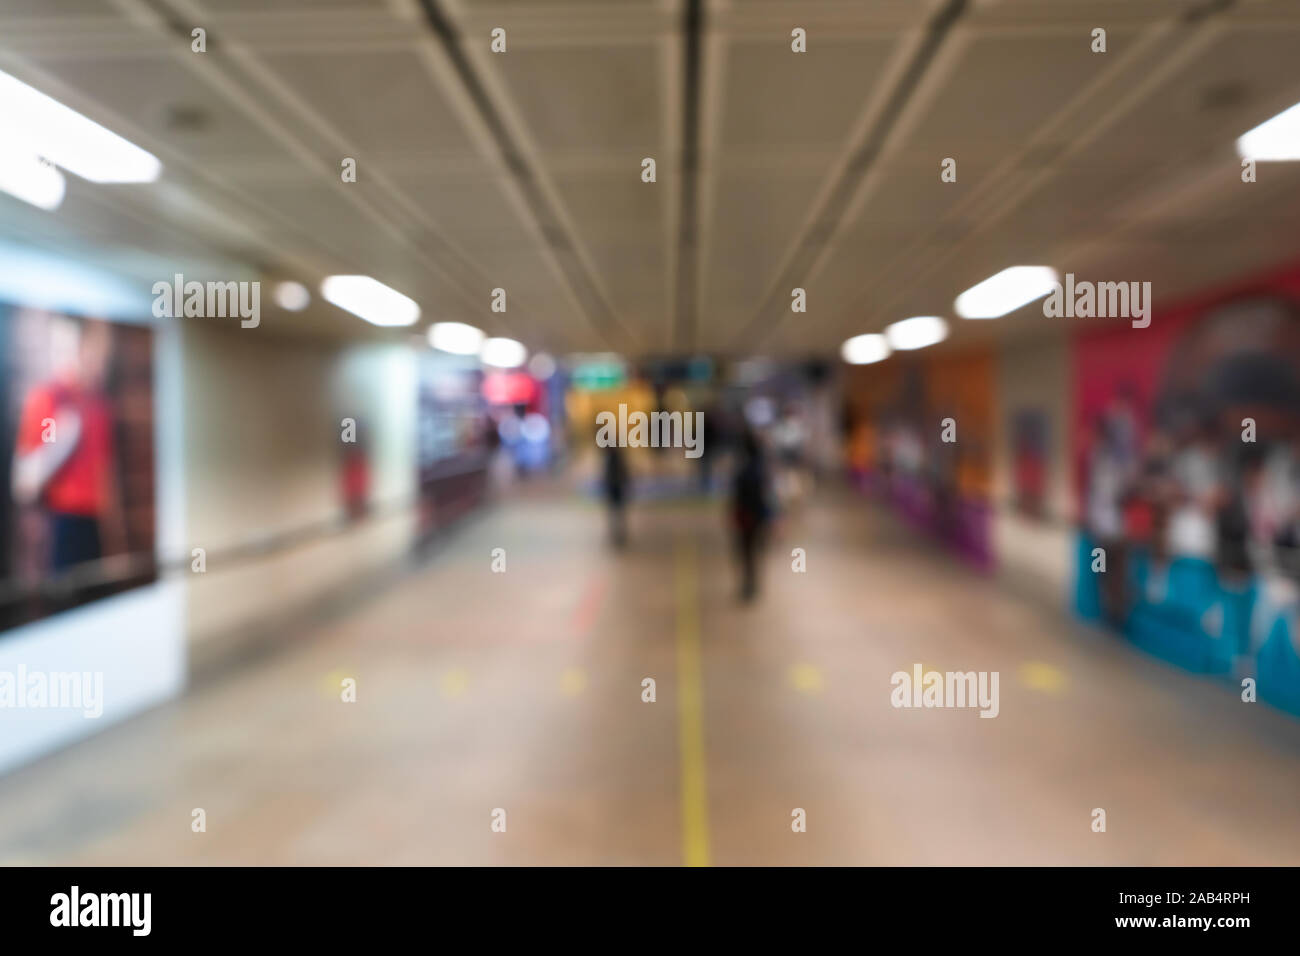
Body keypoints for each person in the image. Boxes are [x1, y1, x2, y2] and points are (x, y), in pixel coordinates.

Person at [11, 317, 125, 574]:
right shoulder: (47, 398)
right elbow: (24, 483)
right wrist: (60, 442)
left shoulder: (98, 405)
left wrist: (115, 539)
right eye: (59, 349)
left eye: (73, 348)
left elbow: (106, 473)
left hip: (94, 522)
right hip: (59, 522)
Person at [730, 427, 774, 602]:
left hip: (747, 516)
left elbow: (738, 496)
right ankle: (752, 583)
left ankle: (750, 583)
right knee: (754, 551)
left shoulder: (743, 471)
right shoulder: (762, 470)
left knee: (746, 552)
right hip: (757, 516)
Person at [602, 442, 630, 548]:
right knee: (617, 512)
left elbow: (621, 473)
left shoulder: (613, 458)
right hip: (615, 487)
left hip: (616, 487)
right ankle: (618, 532)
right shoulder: (613, 457)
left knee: (616, 512)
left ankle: (618, 532)